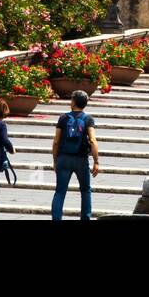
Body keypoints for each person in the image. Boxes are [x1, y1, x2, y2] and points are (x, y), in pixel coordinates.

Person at [52, 90, 100, 220]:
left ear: (73, 102)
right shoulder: (88, 119)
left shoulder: (63, 118)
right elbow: (93, 140)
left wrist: (55, 160)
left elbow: (56, 141)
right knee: (85, 191)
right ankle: (85, 218)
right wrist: (96, 162)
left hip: (63, 158)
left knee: (60, 192)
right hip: (81, 159)